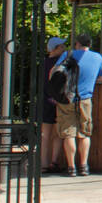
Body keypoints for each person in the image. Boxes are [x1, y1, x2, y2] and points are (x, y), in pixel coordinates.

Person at [54, 32, 102, 177]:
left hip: (66, 99)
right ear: (90, 45)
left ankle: (71, 167)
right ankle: (84, 166)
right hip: (85, 99)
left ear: (77, 43)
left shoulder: (67, 55)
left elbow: (54, 73)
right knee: (84, 133)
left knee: (68, 133)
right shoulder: (97, 57)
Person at [41, 38, 67, 171]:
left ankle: (43, 163)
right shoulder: (61, 64)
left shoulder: (43, 64)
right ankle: (54, 161)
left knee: (45, 134)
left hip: (44, 100)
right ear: (56, 48)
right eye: (62, 46)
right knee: (58, 133)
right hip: (58, 100)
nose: (64, 48)